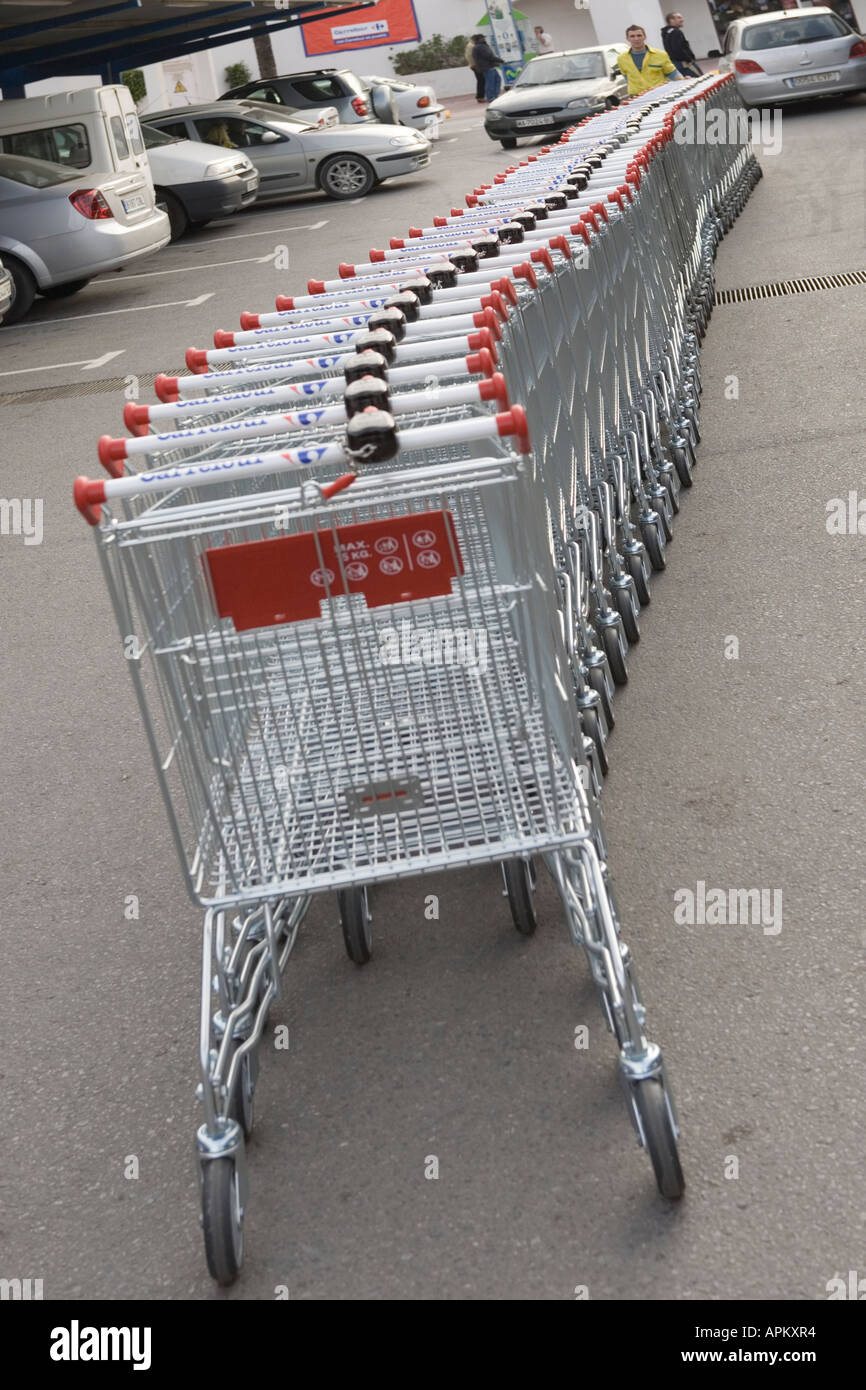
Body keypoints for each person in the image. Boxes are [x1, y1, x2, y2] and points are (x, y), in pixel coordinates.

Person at [616, 24, 680, 96]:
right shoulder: (621, 58)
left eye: (639, 35)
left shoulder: (660, 54)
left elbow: (673, 74)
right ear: (627, 38)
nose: (636, 39)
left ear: (644, 37)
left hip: (660, 94)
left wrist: (684, 80)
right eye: (632, 36)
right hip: (637, 97)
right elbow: (627, 78)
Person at [660, 12, 703, 78]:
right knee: (700, 79)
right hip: (684, 63)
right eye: (679, 18)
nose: (682, 20)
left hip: (675, 64)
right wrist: (689, 59)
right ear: (671, 20)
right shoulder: (676, 32)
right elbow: (678, 49)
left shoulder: (666, 32)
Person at [472, 34, 503, 103]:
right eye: (482, 38)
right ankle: (491, 97)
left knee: (497, 80)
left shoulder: (482, 46)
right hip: (487, 67)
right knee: (490, 82)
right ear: (479, 39)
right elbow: (489, 56)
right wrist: (501, 61)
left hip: (490, 66)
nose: (484, 39)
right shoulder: (480, 47)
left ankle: (494, 96)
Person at [466, 34, 486, 103]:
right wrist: (474, 65)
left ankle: (480, 96)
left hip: (475, 65)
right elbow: (470, 56)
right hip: (476, 65)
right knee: (481, 81)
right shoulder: (472, 46)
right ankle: (480, 96)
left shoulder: (471, 45)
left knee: (481, 80)